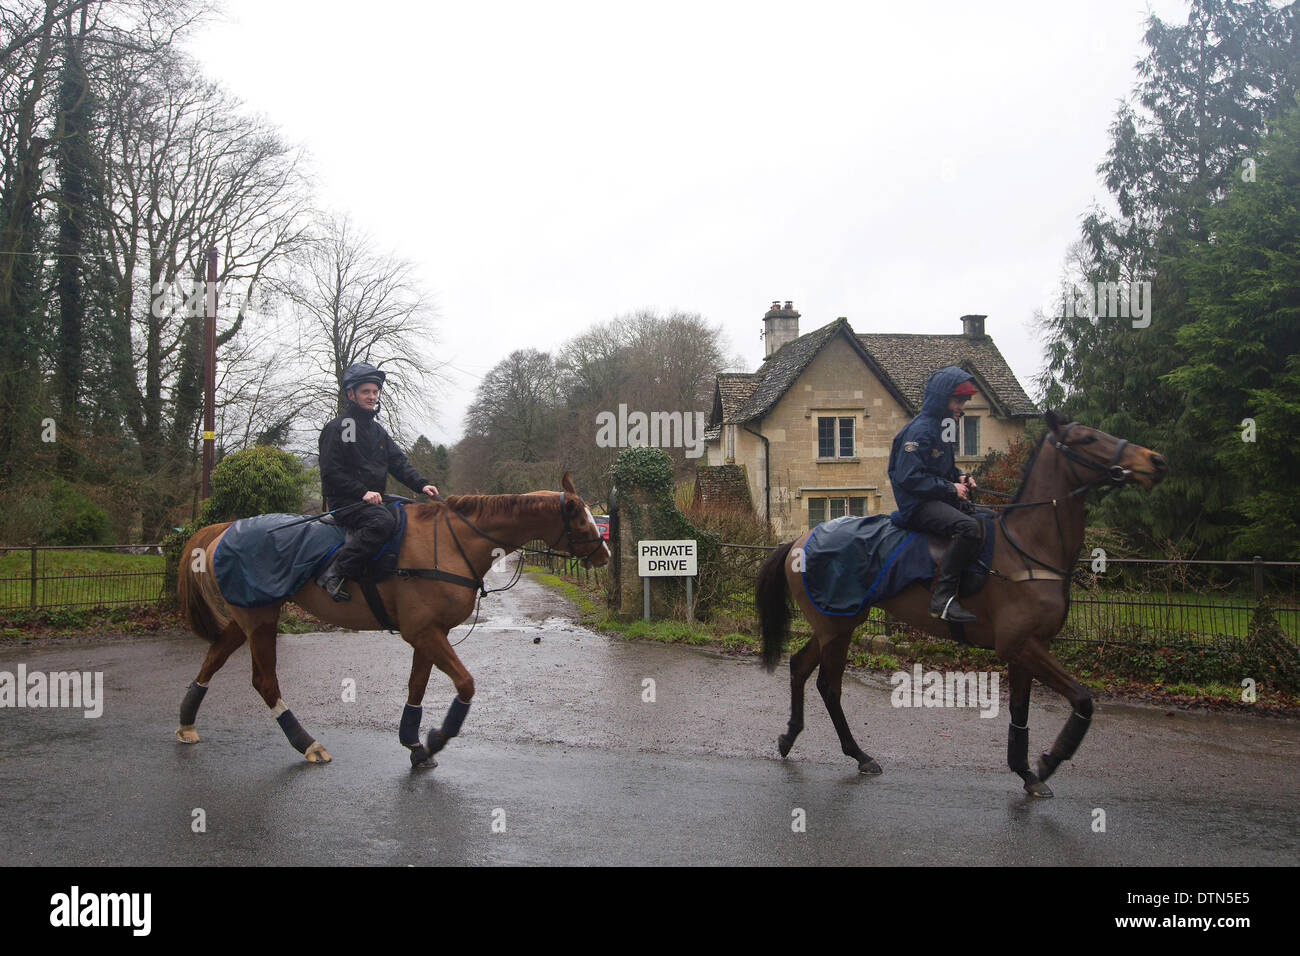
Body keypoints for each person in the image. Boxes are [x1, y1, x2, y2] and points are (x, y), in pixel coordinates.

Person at [315, 362, 439, 601]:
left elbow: (398, 463)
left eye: (375, 392)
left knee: (408, 511)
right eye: (366, 392)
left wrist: (421, 484)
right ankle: (335, 572)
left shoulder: (377, 430)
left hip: (371, 500)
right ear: (351, 394)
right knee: (381, 521)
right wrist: (362, 492)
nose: (372, 397)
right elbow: (332, 472)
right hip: (347, 502)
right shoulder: (341, 427)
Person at [887, 366, 982, 623]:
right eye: (958, 400)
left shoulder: (942, 428)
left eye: (963, 401)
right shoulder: (919, 431)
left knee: (987, 519)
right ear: (941, 399)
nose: (961, 406)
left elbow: (943, 469)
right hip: (917, 506)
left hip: (937, 499)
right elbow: (909, 477)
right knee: (968, 527)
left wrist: (960, 477)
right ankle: (943, 599)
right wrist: (951, 488)